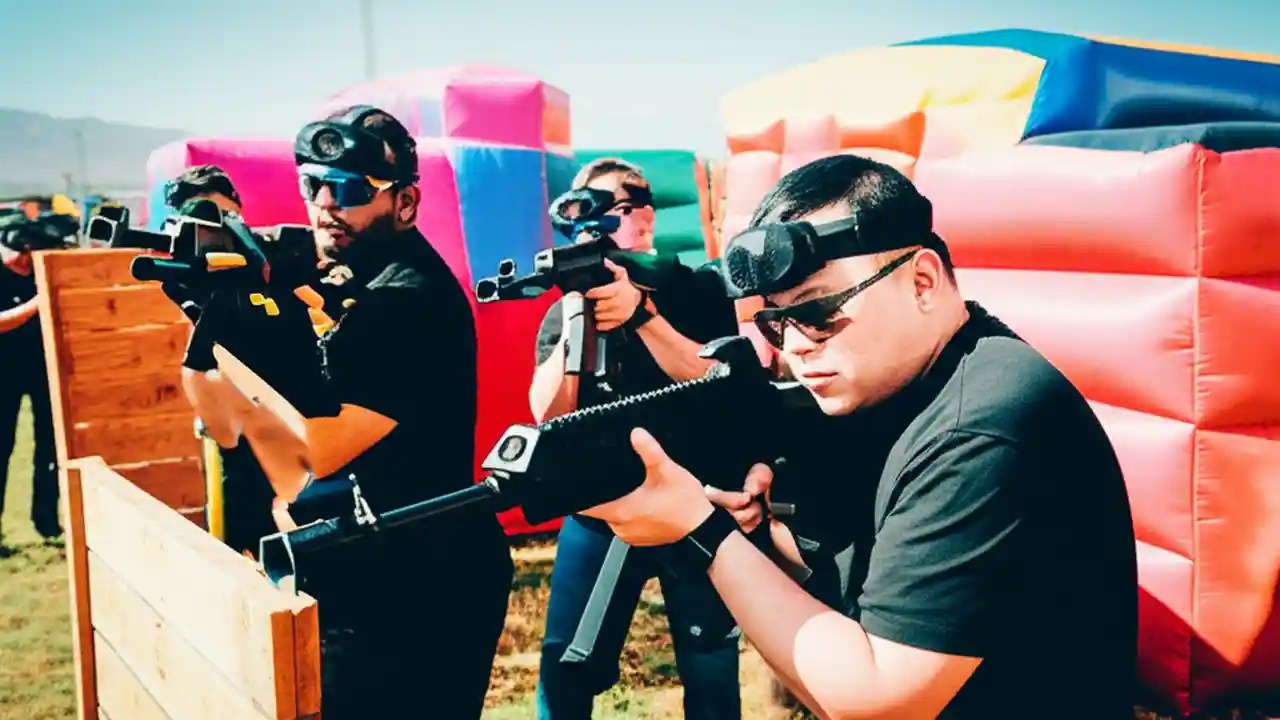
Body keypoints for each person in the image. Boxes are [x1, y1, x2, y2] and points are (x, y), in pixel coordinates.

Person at [580, 154, 1139, 719]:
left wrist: (702, 533)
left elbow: (879, 701)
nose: (795, 344)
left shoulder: (982, 425)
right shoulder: (905, 387)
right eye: (775, 321)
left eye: (818, 311)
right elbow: (858, 580)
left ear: (922, 281)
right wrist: (761, 528)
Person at [173, 105, 514, 719]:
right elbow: (232, 416)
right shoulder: (354, 275)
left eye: (352, 189)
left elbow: (319, 447)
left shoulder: (404, 299)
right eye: (312, 184)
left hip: (423, 582)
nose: (326, 203)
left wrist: (246, 328)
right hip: (368, 566)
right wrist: (217, 318)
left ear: (406, 203)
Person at [529, 158, 743, 719]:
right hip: (603, 512)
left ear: (644, 217)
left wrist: (642, 313)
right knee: (566, 671)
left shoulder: (694, 289)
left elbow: (714, 382)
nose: (592, 229)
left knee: (711, 670)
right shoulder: (566, 310)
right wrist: (579, 315)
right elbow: (548, 413)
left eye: (610, 210)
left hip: (694, 507)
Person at [160, 165, 279, 556]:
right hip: (234, 428)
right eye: (205, 221)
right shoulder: (185, 276)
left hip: (290, 423)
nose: (219, 230)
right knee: (238, 542)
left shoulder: (267, 252)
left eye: (225, 216)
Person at [0, 219, 62, 545]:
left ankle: (47, 523)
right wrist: (34, 306)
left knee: (50, 448)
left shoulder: (42, 268)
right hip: (3, 374)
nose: (25, 261)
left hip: (42, 370)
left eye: (30, 253)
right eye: (20, 255)